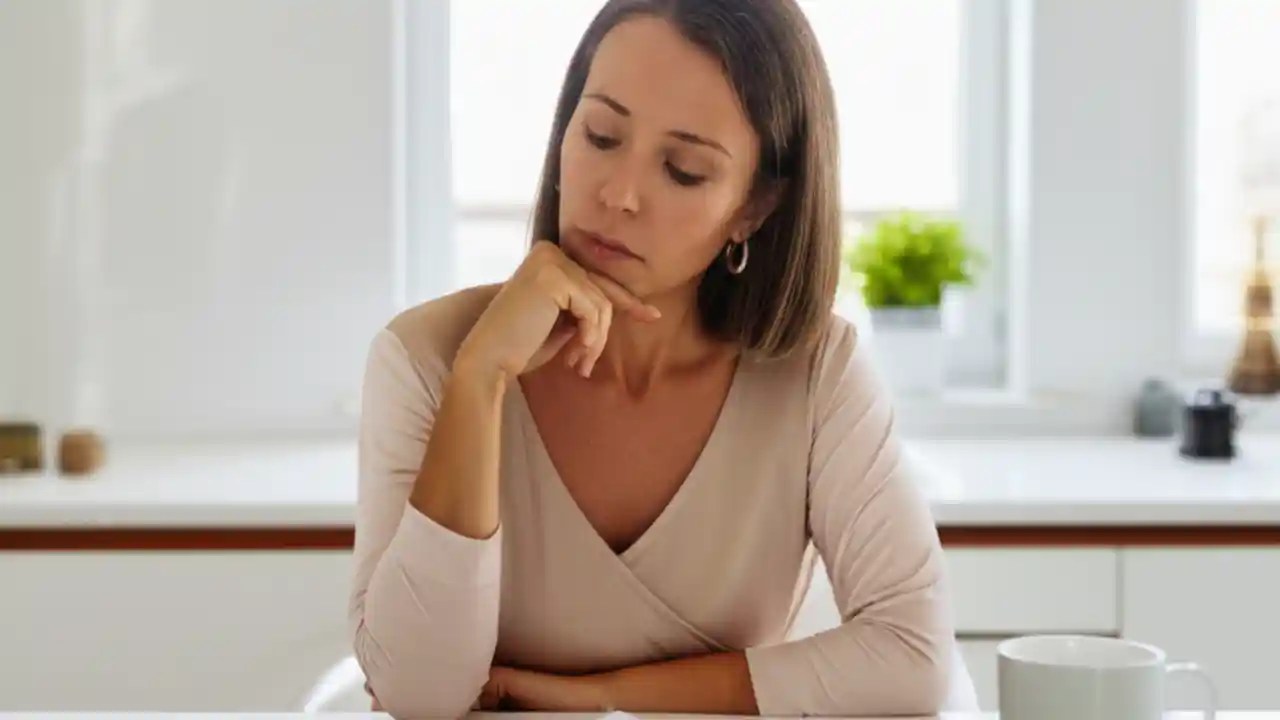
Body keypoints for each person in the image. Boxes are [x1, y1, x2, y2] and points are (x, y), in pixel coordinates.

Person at [349, 0, 974, 717]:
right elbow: (416, 696)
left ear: (755, 207)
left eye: (683, 171)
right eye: (601, 134)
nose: (618, 195)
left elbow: (914, 657)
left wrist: (606, 699)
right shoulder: (427, 359)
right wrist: (480, 380)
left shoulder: (816, 374)